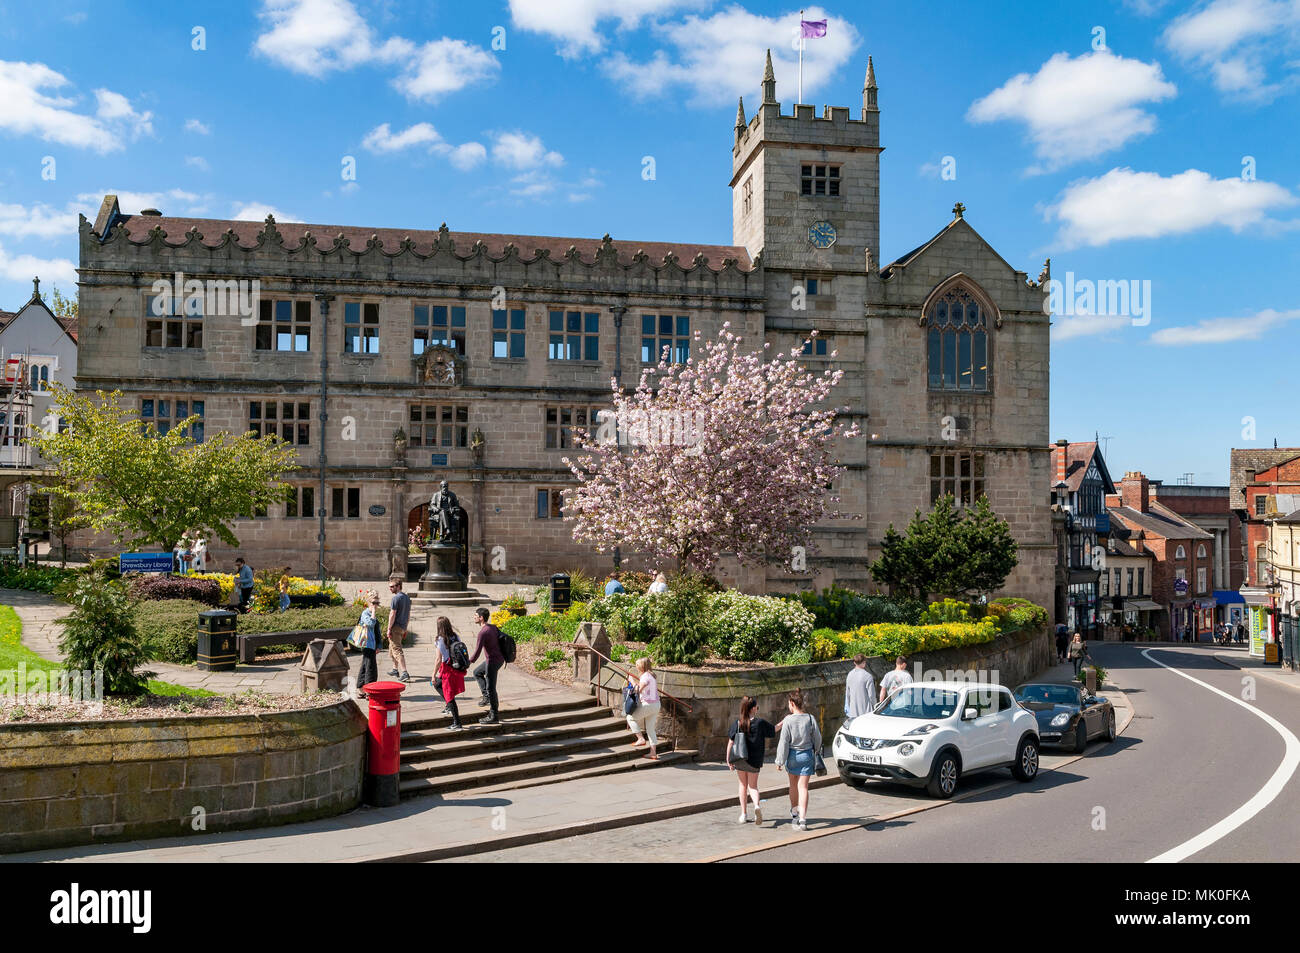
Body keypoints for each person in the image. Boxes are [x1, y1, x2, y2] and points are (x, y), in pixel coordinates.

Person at [774, 689, 821, 831]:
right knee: (804, 787)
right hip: (807, 755)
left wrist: (779, 761)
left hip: (792, 756)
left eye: (789, 703)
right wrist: (816, 751)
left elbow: (784, 742)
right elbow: (818, 738)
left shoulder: (788, 720)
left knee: (793, 786)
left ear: (792, 703)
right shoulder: (810, 718)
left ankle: (794, 812)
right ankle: (803, 819)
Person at [727, 695, 775, 825]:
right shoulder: (760, 723)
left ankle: (743, 814)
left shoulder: (738, 723)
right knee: (753, 786)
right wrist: (785, 721)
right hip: (754, 760)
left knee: (742, 785)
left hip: (740, 759)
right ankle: (756, 807)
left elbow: (731, 742)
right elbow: (774, 730)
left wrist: (728, 759)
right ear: (753, 708)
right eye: (757, 707)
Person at [468, 606, 505, 724]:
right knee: (477, 672)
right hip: (499, 659)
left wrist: (468, 662)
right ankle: (486, 697)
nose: (474, 617)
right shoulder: (492, 627)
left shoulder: (483, 632)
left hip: (492, 662)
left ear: (481, 618)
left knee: (491, 688)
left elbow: (477, 651)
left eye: (475, 616)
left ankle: (494, 715)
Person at [625, 657, 661, 760]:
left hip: (648, 705)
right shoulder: (652, 675)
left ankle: (640, 739)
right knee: (650, 729)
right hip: (656, 704)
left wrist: (631, 681)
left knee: (630, 717)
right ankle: (653, 753)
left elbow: (638, 691)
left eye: (637, 665)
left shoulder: (645, 676)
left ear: (642, 666)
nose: (636, 667)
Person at [434, 616, 465, 731]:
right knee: (438, 685)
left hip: (447, 668)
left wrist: (433, 675)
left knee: (449, 695)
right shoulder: (455, 636)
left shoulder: (440, 639)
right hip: (455, 667)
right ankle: (448, 706)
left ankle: (457, 723)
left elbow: (438, 659)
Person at [355, 590, 381, 698]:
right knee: (371, 668)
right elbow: (370, 624)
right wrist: (373, 612)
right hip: (366, 645)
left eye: (377, 603)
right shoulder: (365, 614)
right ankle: (368, 691)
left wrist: (379, 645)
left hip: (372, 645)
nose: (375, 605)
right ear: (368, 603)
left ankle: (361, 690)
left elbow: (377, 632)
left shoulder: (370, 613)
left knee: (366, 666)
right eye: (373, 603)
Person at [385, 576, 412, 683]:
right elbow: (408, 614)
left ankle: (405, 672)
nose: (390, 588)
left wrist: (388, 628)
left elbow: (392, 614)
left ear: (398, 586)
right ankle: (395, 669)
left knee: (397, 650)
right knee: (392, 648)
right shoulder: (406, 598)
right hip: (402, 626)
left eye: (392, 587)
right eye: (390, 587)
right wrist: (405, 628)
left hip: (395, 627)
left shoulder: (396, 598)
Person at [844, 653, 876, 720]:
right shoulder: (868, 676)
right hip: (866, 711)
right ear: (864, 662)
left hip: (853, 711)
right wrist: (875, 706)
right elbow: (871, 696)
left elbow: (847, 694)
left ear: (854, 663)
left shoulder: (849, 675)